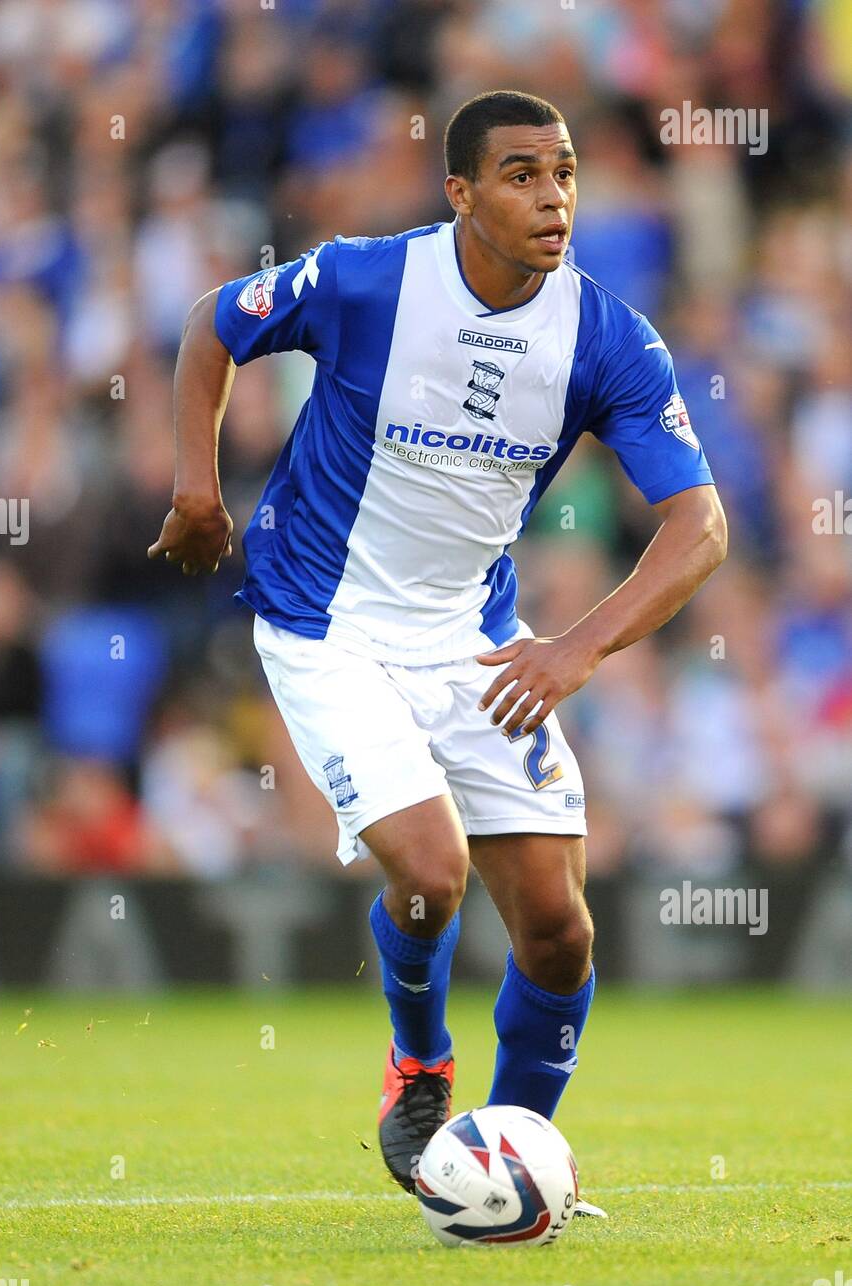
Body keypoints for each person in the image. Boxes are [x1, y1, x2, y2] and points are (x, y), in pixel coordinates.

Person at [148, 90, 727, 1215]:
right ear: (458, 192)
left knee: (558, 932)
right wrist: (194, 486)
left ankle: (505, 1161)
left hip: (475, 641)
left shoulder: (605, 337)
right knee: (427, 871)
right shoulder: (368, 279)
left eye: (562, 172)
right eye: (520, 175)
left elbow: (698, 526)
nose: (551, 196)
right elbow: (213, 323)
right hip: (327, 625)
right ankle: (419, 1062)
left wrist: (576, 647)